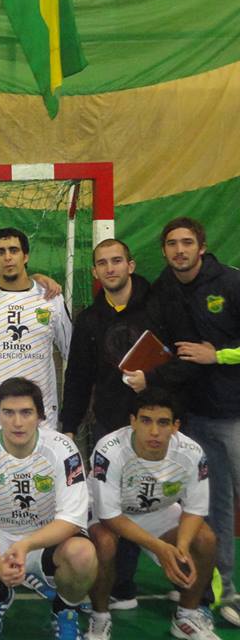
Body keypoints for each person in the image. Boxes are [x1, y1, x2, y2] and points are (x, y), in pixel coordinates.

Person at [145, 216, 240, 626]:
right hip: (191, 419)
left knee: (224, 502)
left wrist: (216, 355)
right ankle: (213, 585)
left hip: (232, 415)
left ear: (201, 246)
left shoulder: (232, 283)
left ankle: (226, 587)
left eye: (186, 243)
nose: (179, 250)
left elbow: (209, 352)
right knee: (206, 504)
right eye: (171, 244)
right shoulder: (163, 289)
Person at [0, 377, 95, 640]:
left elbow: (71, 520)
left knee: (83, 555)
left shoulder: (64, 450)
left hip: (47, 537)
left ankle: (65, 609)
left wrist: (26, 545)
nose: (17, 422)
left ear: (40, 415)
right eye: (8, 413)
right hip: (0, 536)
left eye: (26, 412)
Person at [60, 238, 155, 609]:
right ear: (96, 272)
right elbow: (79, 378)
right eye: (103, 263)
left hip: (158, 428)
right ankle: (118, 586)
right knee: (111, 509)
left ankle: (186, 586)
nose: (110, 268)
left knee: (152, 505)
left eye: (117, 261)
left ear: (130, 265)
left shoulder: (158, 305)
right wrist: (69, 424)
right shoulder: (89, 320)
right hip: (109, 429)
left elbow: (178, 358)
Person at [86, 388, 220, 640]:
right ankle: (99, 617)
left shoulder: (192, 453)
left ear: (175, 426)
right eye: (146, 420)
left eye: (163, 422)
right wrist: (159, 548)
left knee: (205, 539)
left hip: (157, 511)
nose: (155, 431)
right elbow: (109, 516)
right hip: (107, 514)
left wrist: (180, 547)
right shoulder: (109, 449)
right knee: (103, 542)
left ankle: (187, 616)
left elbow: (195, 510)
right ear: (133, 421)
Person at [0, 228, 71, 442]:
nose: (8, 257)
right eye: (0, 252)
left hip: (40, 418)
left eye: (14, 250)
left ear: (25, 256)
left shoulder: (50, 298)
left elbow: (72, 352)